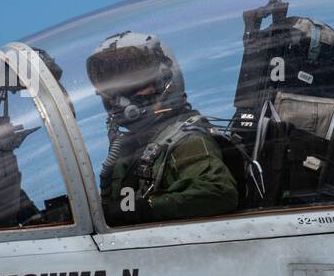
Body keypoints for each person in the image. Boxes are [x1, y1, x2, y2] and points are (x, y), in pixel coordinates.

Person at [86, 31, 239, 225]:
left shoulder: (189, 140)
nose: (117, 99)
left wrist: (144, 208)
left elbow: (219, 192)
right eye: (111, 89)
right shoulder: (127, 147)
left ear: (167, 81)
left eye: (134, 82)